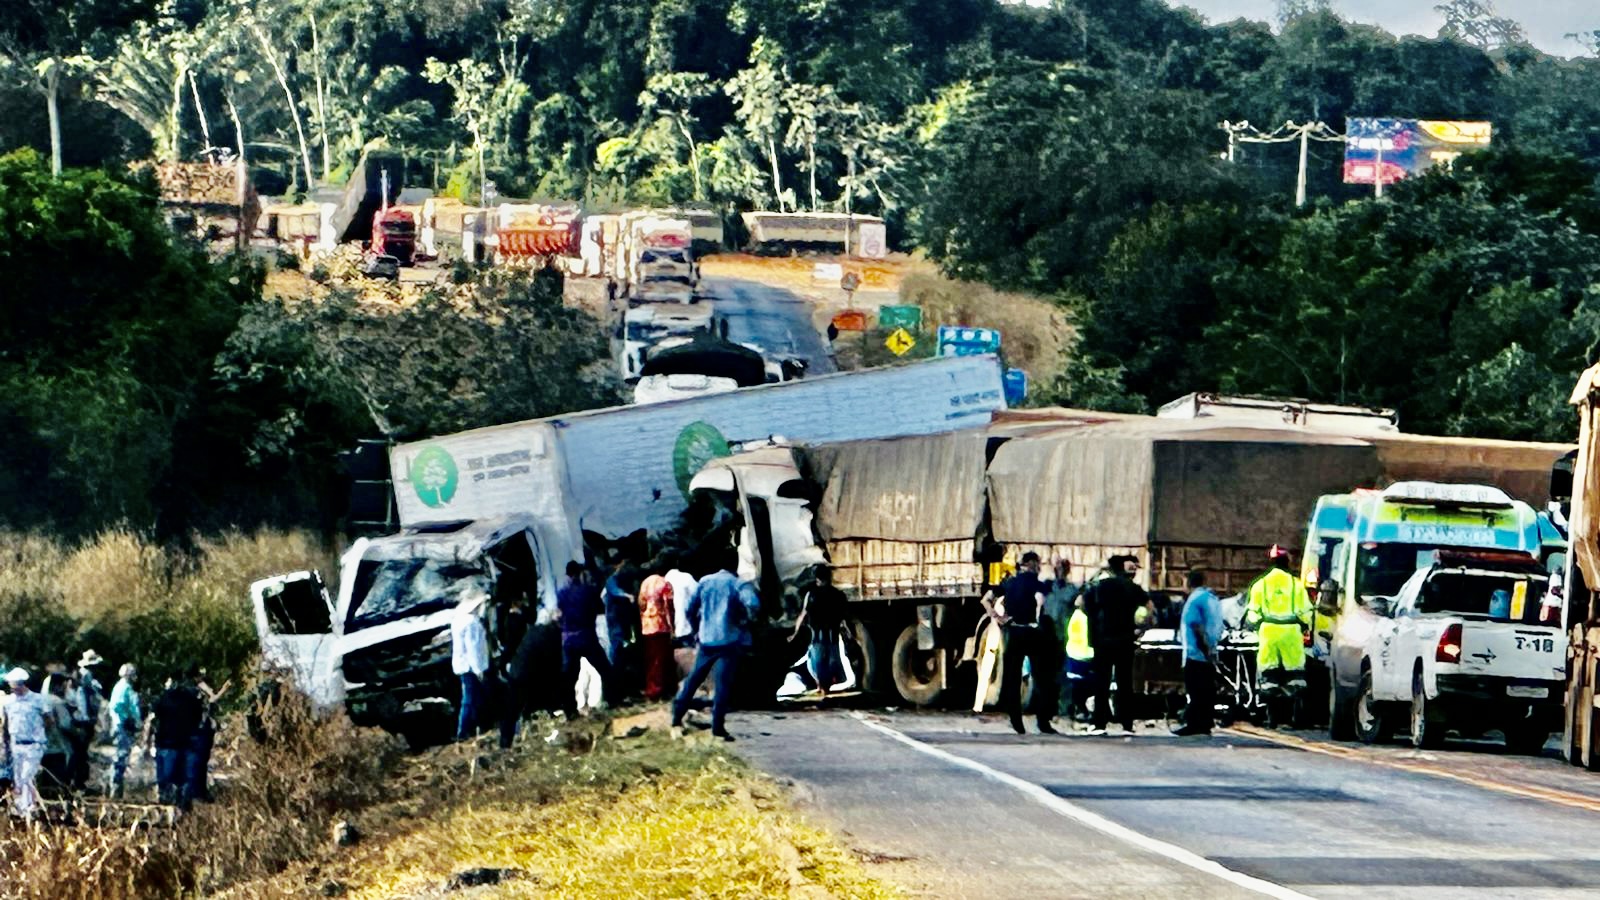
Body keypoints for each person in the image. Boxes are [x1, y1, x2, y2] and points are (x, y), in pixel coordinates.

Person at [671, 551, 760, 741]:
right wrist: (744, 621)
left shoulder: (705, 581)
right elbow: (753, 604)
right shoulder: (738, 584)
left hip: (706, 640)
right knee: (722, 685)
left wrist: (697, 629)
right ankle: (718, 728)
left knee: (694, 679)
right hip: (729, 640)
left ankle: (676, 718)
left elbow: (690, 609)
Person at [981, 551, 1057, 735]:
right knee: (1041, 678)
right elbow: (1040, 600)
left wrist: (998, 617)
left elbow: (985, 599)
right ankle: (1042, 722)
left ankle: (1016, 721)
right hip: (1032, 632)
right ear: (1031, 564)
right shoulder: (1035, 583)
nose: (1039, 567)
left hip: (1013, 632)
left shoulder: (1009, 582)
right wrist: (1039, 619)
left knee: (1012, 678)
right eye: (1037, 563)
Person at [1247, 545, 1312, 728]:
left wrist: (1255, 625)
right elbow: (1306, 611)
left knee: (1269, 678)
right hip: (1291, 632)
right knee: (1295, 678)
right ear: (1287, 562)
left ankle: (1272, 719)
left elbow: (1253, 613)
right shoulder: (1296, 584)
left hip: (1269, 633)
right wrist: (1306, 626)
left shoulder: (1261, 584)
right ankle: (1295, 718)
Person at [1084, 554, 1146, 736]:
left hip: (1102, 641)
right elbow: (1150, 609)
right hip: (1125, 641)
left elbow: (1081, 603)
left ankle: (1099, 724)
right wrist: (1140, 629)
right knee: (1125, 683)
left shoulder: (1098, 587)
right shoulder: (1133, 589)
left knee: (1101, 683)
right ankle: (1127, 724)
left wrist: (1095, 620)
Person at [557, 561, 613, 716]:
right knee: (605, 669)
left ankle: (570, 710)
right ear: (580, 573)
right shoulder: (589, 591)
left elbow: (560, 614)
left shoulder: (562, 593)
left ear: (567, 575)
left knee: (570, 677)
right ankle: (611, 700)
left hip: (569, 640)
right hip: (587, 637)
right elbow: (598, 608)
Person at [1175, 569, 1223, 736]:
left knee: (1196, 690)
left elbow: (1196, 626)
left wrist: (1205, 649)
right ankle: (1205, 722)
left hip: (1196, 653)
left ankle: (1195, 723)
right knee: (1207, 690)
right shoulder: (1212, 598)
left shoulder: (1194, 600)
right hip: (1210, 650)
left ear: (1188, 582)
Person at [2, 668, 53, 818]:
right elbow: (4, 724)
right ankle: (20, 808)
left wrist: (40, 734)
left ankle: (29, 808)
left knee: (27, 776)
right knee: (18, 778)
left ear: (22, 684)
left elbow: (49, 721)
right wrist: (5, 746)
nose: (13, 688)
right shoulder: (8, 702)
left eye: (15, 685)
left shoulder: (38, 700)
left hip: (34, 744)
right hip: (15, 744)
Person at [148, 671, 203, 809]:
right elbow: (198, 718)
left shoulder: (162, 699)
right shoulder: (191, 699)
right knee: (182, 779)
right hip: (184, 744)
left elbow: (154, 720)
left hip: (167, 744)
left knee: (165, 779)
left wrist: (150, 740)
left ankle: (165, 808)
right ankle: (182, 808)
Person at [792, 567, 847, 701]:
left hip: (817, 635)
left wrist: (794, 633)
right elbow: (845, 617)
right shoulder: (838, 594)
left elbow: (803, 614)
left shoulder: (811, 594)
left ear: (816, 578)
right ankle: (826, 688)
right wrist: (849, 633)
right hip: (832, 635)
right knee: (832, 660)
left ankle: (821, 688)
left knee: (817, 662)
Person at [451, 589, 491, 740]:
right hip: (470, 666)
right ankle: (464, 731)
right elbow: (473, 647)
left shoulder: (458, 620)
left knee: (471, 698)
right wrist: (478, 669)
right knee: (470, 699)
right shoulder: (472, 622)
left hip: (462, 666)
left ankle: (470, 728)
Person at [1042, 559, 1079, 718]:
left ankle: (1064, 708)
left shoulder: (1072, 590)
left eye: (1063, 568)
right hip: (1047, 636)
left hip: (1064, 636)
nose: (1061, 571)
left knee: (1063, 674)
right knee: (1046, 675)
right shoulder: (1047, 588)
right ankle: (1047, 709)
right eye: (1058, 568)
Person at [637, 569, 677, 701]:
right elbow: (668, 607)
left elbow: (641, 604)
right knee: (662, 660)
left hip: (647, 625)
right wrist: (672, 628)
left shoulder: (645, 583)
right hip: (661, 626)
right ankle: (660, 691)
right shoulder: (664, 583)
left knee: (651, 660)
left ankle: (652, 688)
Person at [604, 560, 641, 695]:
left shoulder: (626, 582)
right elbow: (615, 591)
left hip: (623, 621)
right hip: (615, 621)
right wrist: (627, 596)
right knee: (616, 648)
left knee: (624, 649)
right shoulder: (612, 580)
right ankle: (615, 679)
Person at [70, 650, 105, 791]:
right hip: (83, 720)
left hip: (81, 719)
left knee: (80, 752)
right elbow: (91, 697)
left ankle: (78, 782)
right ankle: (79, 783)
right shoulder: (86, 676)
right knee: (81, 753)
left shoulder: (80, 676)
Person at [187, 671, 224, 802]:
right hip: (199, 733)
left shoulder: (197, 693)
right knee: (197, 764)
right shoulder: (197, 693)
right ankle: (197, 793)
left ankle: (198, 792)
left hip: (202, 732)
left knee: (200, 764)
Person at [108, 664, 142, 798]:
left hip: (116, 724)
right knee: (121, 756)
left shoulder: (117, 687)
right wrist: (137, 723)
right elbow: (133, 709)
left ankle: (114, 788)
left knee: (118, 756)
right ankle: (116, 790)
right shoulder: (127, 689)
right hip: (124, 725)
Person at [40, 670, 76, 790]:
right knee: (60, 774)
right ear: (57, 686)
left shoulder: (38, 700)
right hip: (57, 745)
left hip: (40, 745)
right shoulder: (57, 702)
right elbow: (66, 724)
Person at [1063, 595, 1096, 722]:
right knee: (1088, 686)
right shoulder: (1087, 618)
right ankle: (1084, 710)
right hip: (1086, 656)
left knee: (1077, 687)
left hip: (1074, 655)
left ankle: (1080, 710)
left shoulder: (1075, 616)